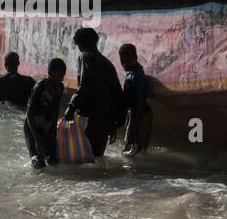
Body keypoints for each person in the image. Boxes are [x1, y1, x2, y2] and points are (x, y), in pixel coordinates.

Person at [62, 27, 123, 158]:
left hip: (91, 118)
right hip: (106, 120)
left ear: (80, 44)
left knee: (85, 156)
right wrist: (114, 123)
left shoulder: (86, 57)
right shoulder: (107, 63)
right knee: (97, 156)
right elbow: (117, 92)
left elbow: (86, 86)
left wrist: (71, 107)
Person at [24, 58, 67, 168]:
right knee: (38, 163)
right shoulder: (39, 88)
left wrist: (54, 131)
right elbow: (29, 113)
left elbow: (56, 110)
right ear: (49, 73)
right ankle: (37, 184)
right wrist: (37, 138)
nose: (62, 79)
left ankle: (53, 185)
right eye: (59, 75)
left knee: (54, 162)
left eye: (63, 75)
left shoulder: (60, 88)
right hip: (33, 127)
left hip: (48, 127)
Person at [118, 44, 153, 156]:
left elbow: (139, 102)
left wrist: (133, 125)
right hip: (133, 112)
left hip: (141, 114)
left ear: (135, 58)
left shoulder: (136, 76)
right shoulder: (132, 72)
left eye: (126, 60)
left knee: (135, 150)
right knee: (129, 148)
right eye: (122, 61)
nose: (124, 64)